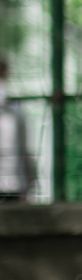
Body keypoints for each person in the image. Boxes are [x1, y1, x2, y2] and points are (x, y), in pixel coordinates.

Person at [0, 56, 36, 203]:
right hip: (13, 181)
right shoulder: (13, 103)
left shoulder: (12, 103)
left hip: (11, 182)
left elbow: (22, 146)